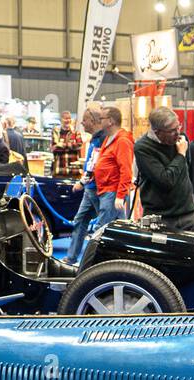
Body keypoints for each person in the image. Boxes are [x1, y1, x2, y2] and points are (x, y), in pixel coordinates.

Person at [133, 106, 194, 231]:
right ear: (157, 132)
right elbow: (166, 181)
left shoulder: (181, 140)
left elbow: (186, 170)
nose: (178, 133)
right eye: (172, 130)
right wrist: (180, 155)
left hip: (188, 215)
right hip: (160, 218)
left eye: (178, 127)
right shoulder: (143, 148)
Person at [62, 105, 106, 266]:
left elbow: (96, 164)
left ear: (93, 121)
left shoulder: (101, 139)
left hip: (98, 189)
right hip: (91, 188)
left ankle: (95, 263)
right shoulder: (96, 139)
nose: (82, 123)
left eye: (85, 120)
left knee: (103, 227)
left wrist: (82, 181)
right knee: (80, 221)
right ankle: (72, 257)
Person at [89, 105, 134, 235]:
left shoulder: (122, 141)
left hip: (112, 192)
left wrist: (120, 196)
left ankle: (94, 255)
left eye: (101, 118)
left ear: (110, 121)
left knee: (100, 231)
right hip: (107, 191)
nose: (99, 121)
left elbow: (126, 170)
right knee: (121, 230)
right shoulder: (110, 138)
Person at [52, 111, 83, 176]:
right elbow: (54, 149)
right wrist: (71, 146)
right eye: (65, 118)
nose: (68, 120)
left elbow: (79, 146)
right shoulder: (56, 133)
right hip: (59, 170)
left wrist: (62, 145)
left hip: (74, 171)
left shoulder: (76, 133)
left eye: (69, 118)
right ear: (61, 119)